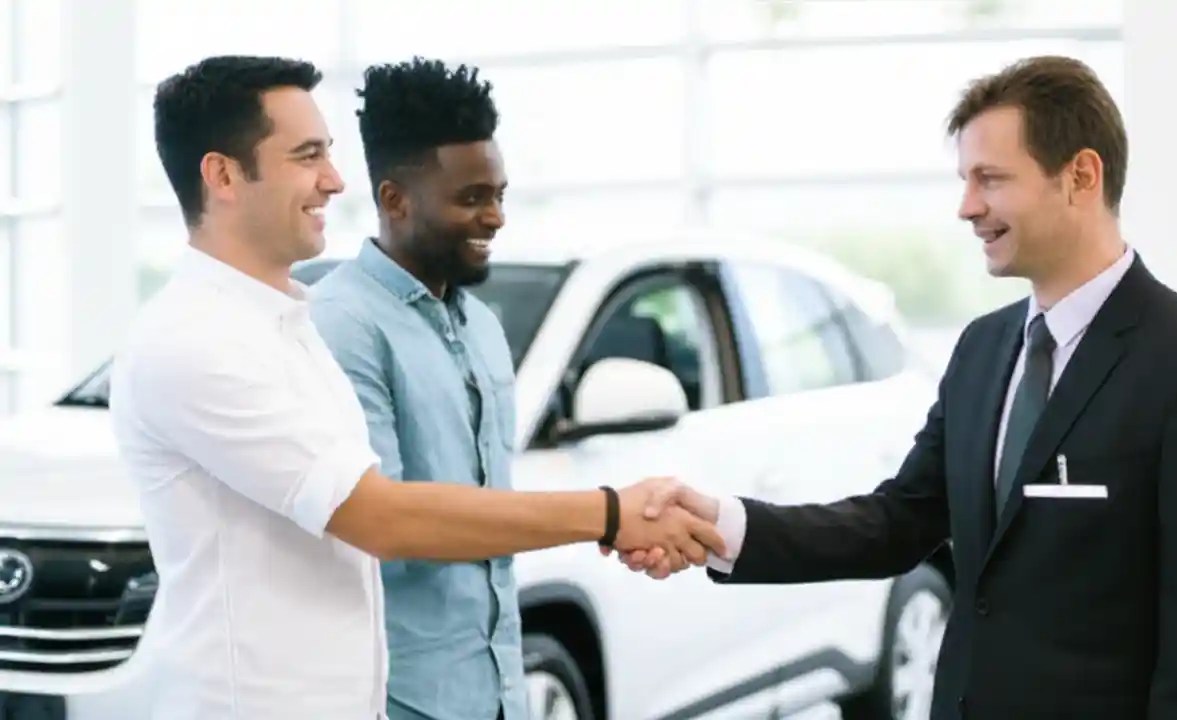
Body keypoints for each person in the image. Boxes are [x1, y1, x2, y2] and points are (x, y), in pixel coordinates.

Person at [622, 55, 1177, 719]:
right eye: (965, 180)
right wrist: (722, 525)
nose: (966, 208)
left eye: (989, 179)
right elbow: (899, 521)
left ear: (1081, 175)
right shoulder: (982, 350)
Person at [108, 55, 723, 720]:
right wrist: (609, 512)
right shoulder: (196, 340)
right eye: (307, 155)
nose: (337, 181)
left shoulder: (288, 326)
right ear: (223, 175)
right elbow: (381, 516)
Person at [308, 58, 523, 720]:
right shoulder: (340, 325)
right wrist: (601, 515)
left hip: (496, 693)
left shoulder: (481, 325)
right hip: (398, 700)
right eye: (471, 199)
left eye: (499, 194)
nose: (495, 218)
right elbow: (389, 521)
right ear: (395, 199)